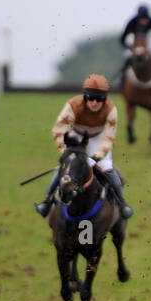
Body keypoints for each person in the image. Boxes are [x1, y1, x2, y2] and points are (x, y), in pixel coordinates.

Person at [33, 74, 134, 220]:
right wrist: (68, 153)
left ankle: (122, 203)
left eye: (99, 99)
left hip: (98, 138)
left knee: (107, 168)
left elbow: (108, 138)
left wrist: (97, 157)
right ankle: (47, 201)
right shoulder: (73, 106)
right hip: (75, 137)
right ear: (85, 97)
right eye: (90, 98)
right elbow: (59, 130)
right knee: (67, 169)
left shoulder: (111, 110)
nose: (94, 102)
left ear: (104, 100)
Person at [116, 4, 151, 90]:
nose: (144, 21)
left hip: (150, 46)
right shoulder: (132, 22)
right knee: (127, 59)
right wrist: (130, 48)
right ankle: (121, 78)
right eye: (142, 19)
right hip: (134, 47)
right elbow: (122, 39)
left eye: (145, 19)